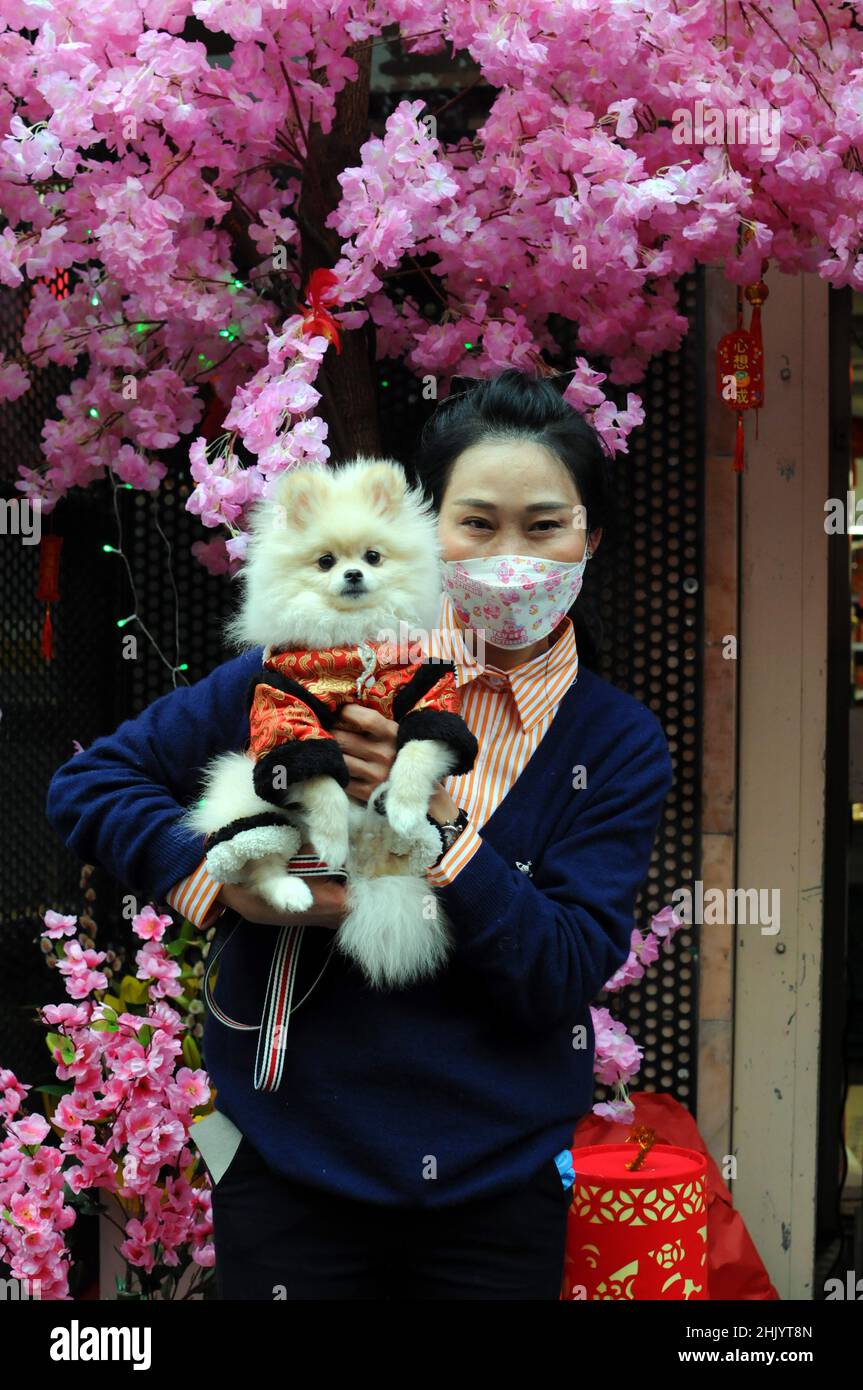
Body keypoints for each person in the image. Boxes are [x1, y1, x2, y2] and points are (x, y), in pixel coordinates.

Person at [45, 369, 674, 1300]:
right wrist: (213, 882)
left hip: (497, 1189)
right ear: (427, 527)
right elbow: (90, 782)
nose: (510, 555)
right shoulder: (303, 672)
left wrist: (442, 834)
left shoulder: (615, 741)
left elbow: (564, 967)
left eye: (544, 525)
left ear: (591, 537)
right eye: (476, 523)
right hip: (294, 1171)